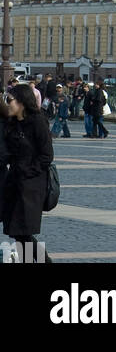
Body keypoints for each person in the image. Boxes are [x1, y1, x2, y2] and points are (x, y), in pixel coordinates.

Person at [1, 83, 54, 264]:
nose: (7, 104)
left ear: (22, 102)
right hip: (14, 182)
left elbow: (47, 156)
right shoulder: (12, 123)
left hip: (32, 184)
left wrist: (28, 170)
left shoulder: (37, 122)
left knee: (22, 230)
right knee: (17, 231)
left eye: (9, 100)